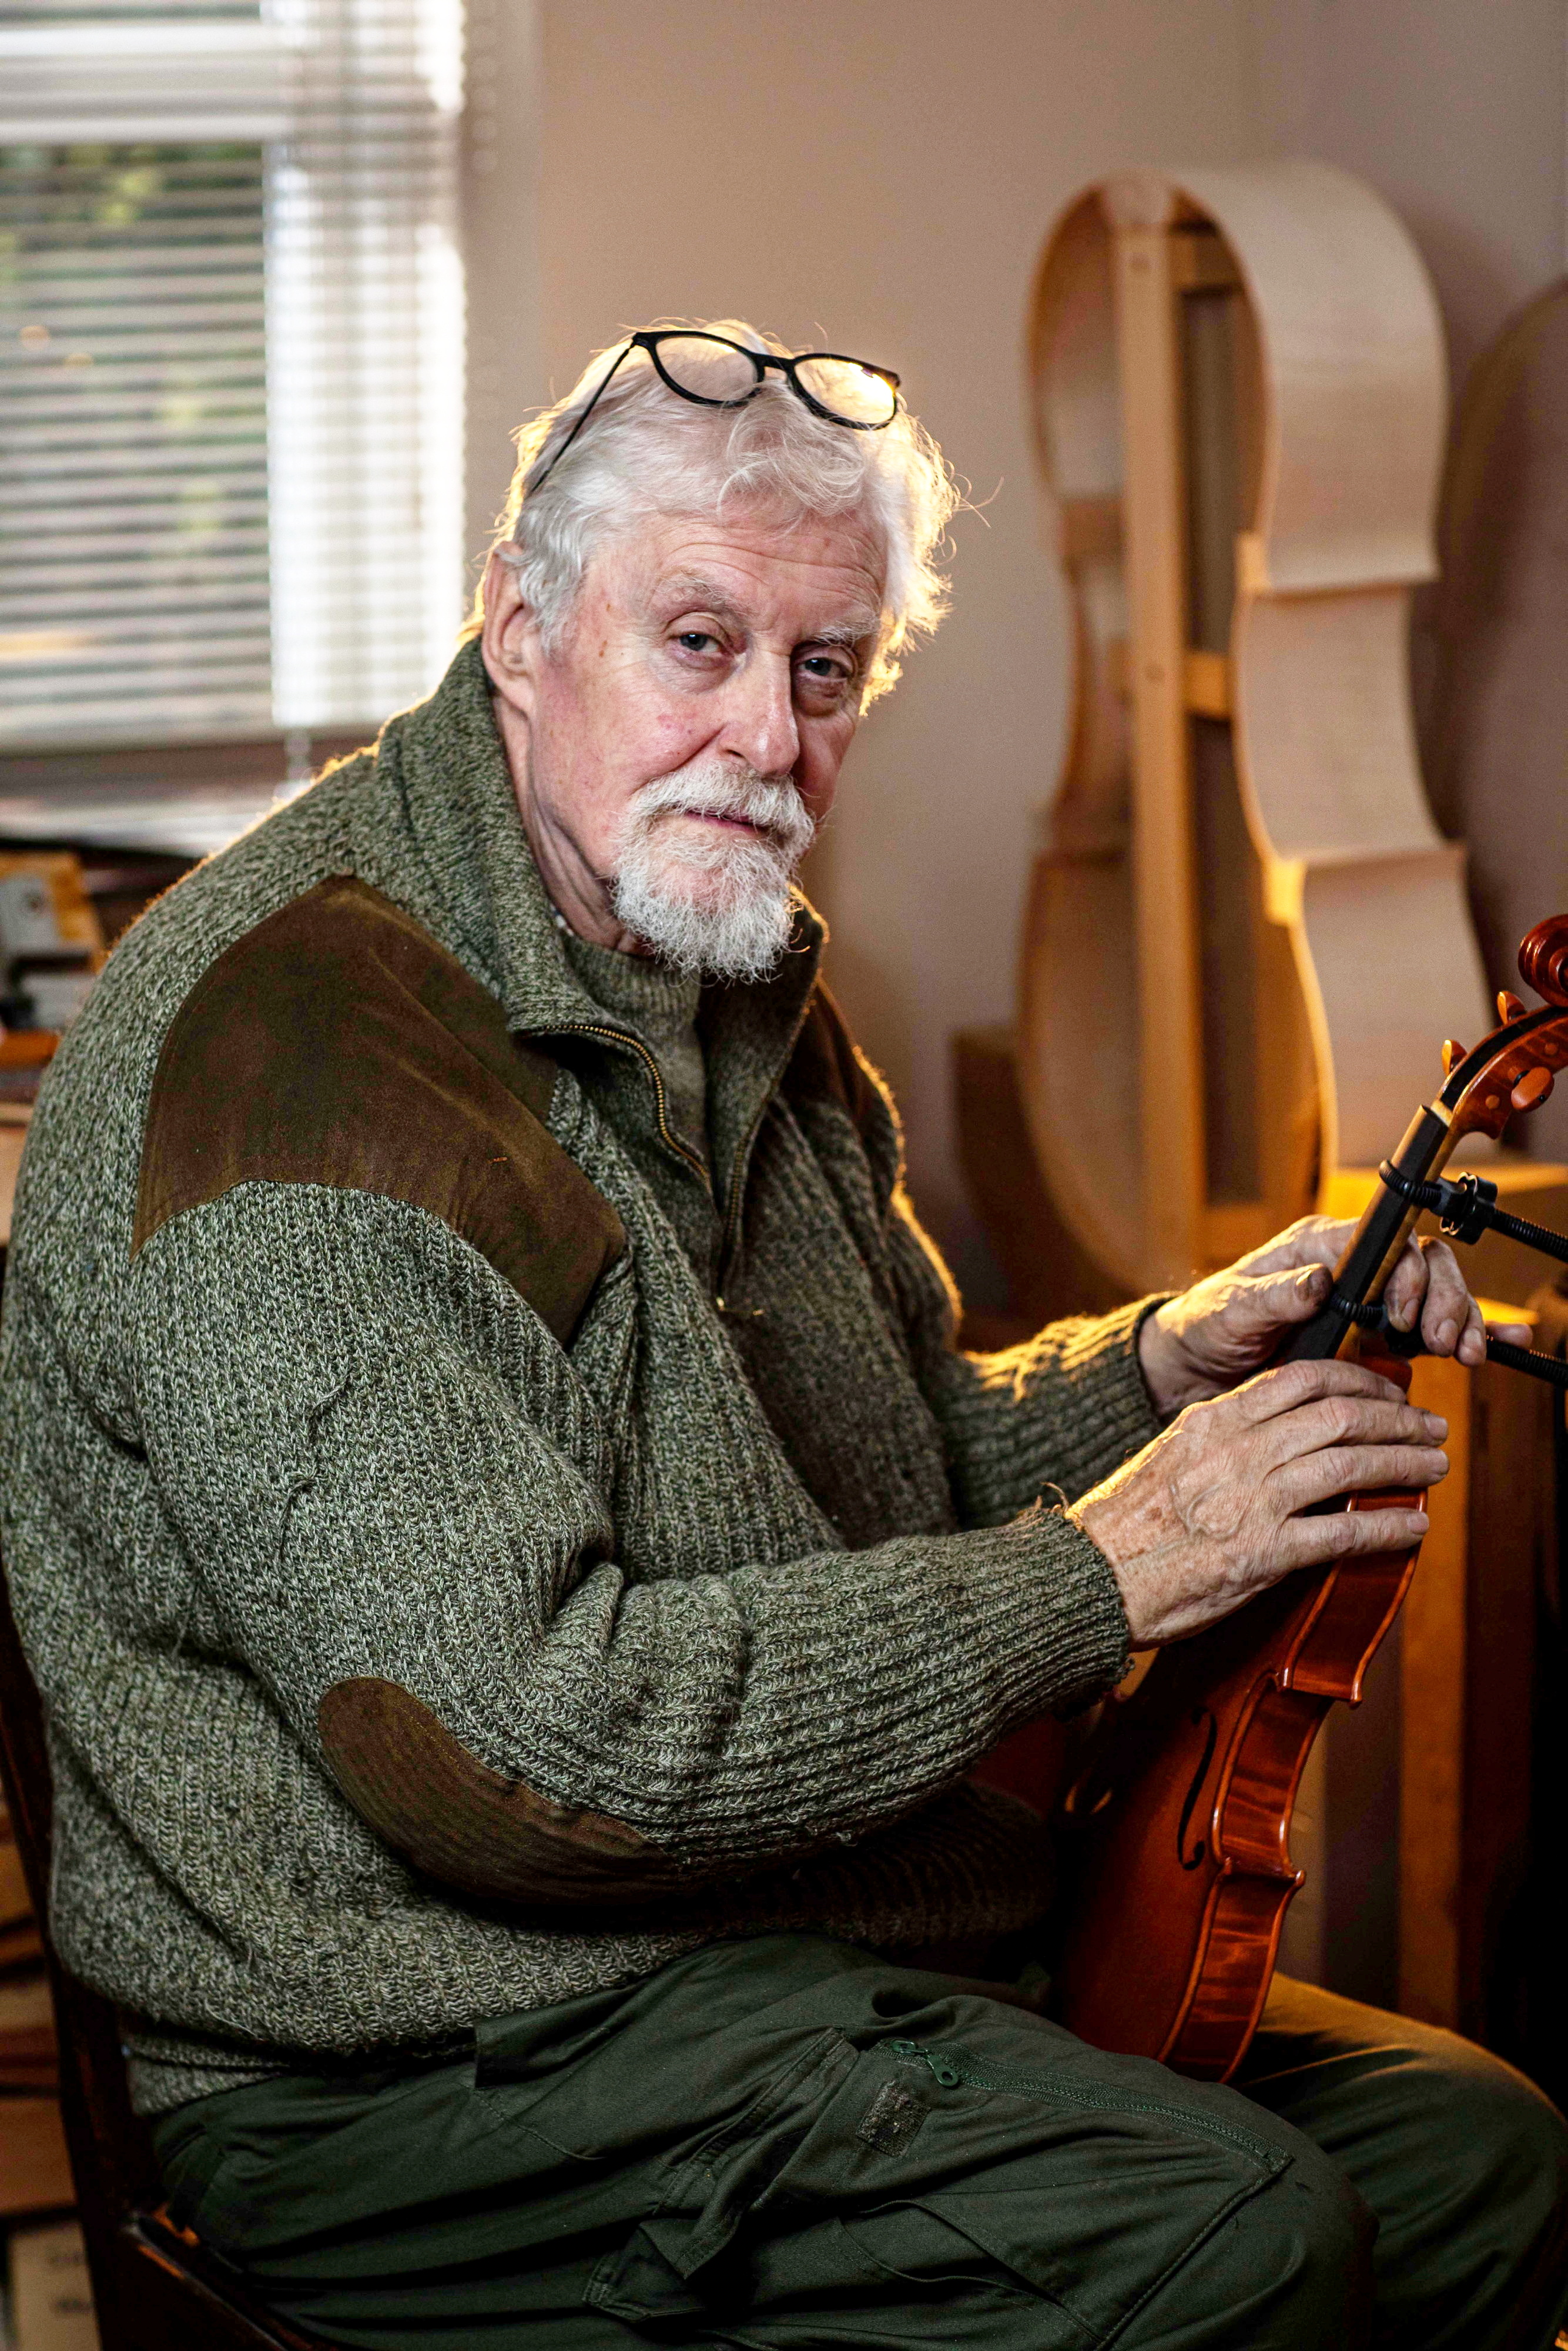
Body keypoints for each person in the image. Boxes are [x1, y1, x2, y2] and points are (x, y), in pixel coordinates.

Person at [1, 321, 1563, 2350]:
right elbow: (519, 1751)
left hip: (781, 1940)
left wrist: (1164, 1365)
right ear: (518, 628)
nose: (764, 736)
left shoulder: (715, 957)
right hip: (415, 2069)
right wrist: (1114, 1567)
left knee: (1478, 2159)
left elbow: (881, 1449)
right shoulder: (303, 1066)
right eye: (699, 642)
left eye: (823, 669)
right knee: (1226, 2234)